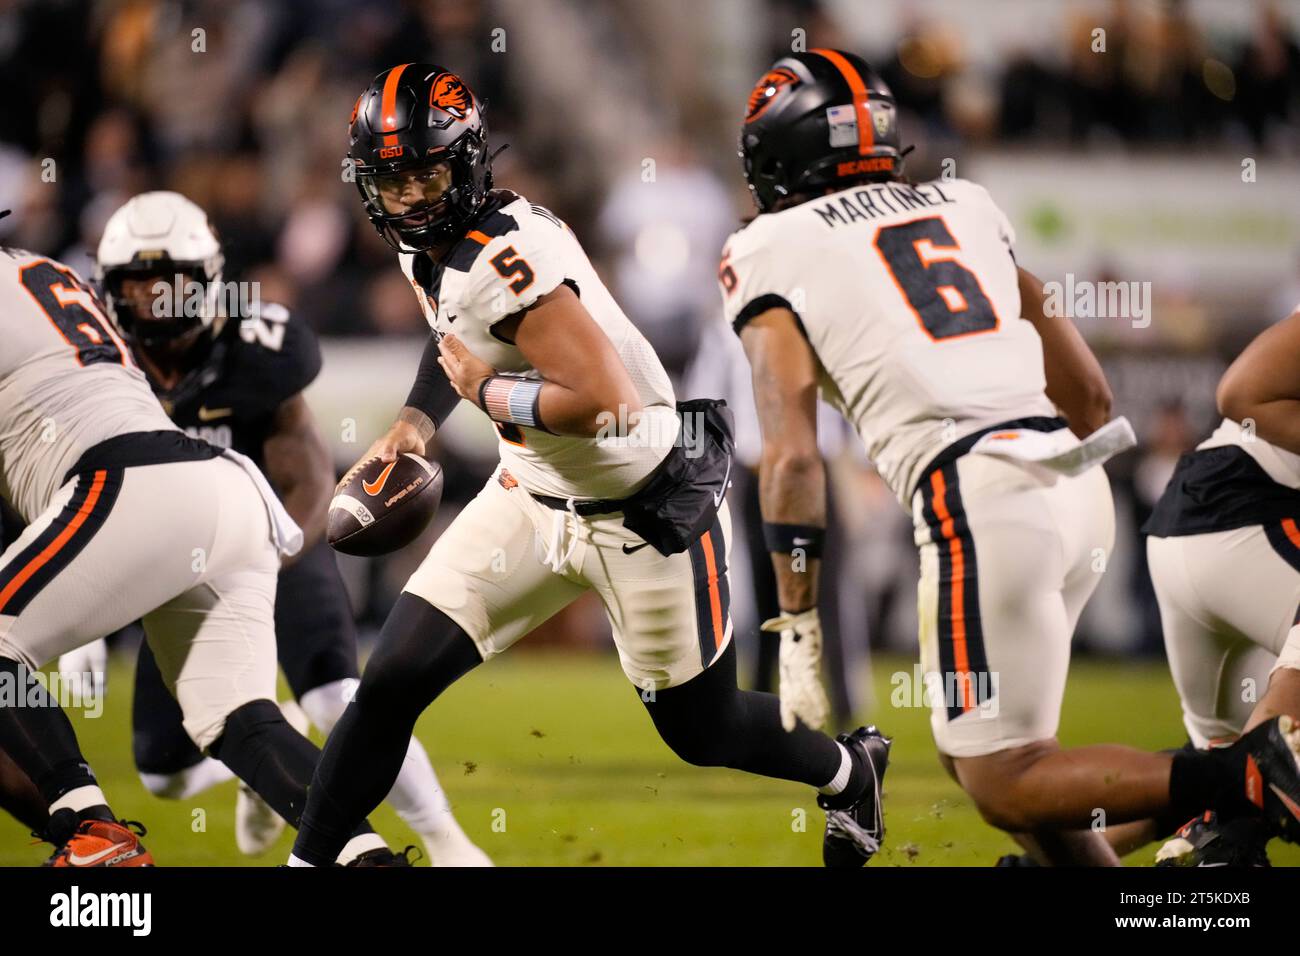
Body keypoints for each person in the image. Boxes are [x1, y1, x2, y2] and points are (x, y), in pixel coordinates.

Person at [287, 64, 889, 869]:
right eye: (393, 180)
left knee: (702, 731)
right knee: (391, 676)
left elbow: (610, 399)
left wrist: (493, 398)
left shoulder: (503, 258)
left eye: (429, 172)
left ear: (465, 163)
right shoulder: (430, 246)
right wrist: (413, 425)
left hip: (643, 511)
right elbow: (453, 342)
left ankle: (849, 770)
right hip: (534, 499)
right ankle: (312, 861)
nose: (412, 197)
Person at [722, 48, 1300, 865]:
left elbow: (790, 461)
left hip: (978, 494)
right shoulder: (962, 203)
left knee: (1006, 778)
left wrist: (799, 620)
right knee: (991, 765)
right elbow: (1091, 397)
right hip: (1068, 479)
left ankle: (1247, 777)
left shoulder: (769, 246)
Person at [49, 190, 487, 865]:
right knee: (163, 771)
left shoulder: (256, 347)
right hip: (170, 572)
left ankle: (446, 840)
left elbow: (309, 477)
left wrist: (263, 561)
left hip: (277, 539)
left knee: (340, 699)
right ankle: (261, 745)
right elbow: (73, 487)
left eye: (169, 283)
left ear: (207, 281)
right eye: (137, 286)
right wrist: (81, 619)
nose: (154, 302)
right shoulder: (99, 366)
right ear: (110, 291)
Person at [0, 241, 402, 865]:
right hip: (224, 489)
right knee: (240, 720)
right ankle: (366, 858)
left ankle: (94, 839)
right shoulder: (38, 270)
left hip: (124, 484)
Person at [1140, 306, 1300, 865]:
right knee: (1269, 768)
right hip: (1241, 515)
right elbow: (1241, 392)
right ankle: (1241, 815)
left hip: (1201, 527)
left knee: (1217, 778)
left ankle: (1044, 862)